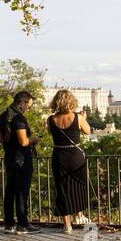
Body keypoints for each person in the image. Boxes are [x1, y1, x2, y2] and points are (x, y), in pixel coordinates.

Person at [48, 89, 91, 233]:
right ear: (71, 101)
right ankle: (79, 215)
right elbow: (88, 131)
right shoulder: (77, 117)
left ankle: (67, 225)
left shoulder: (51, 119)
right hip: (75, 156)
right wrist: (84, 118)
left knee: (62, 189)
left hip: (59, 156)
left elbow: (50, 132)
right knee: (79, 185)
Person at [0, 91, 37, 234]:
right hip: (22, 159)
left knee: (10, 191)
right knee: (21, 192)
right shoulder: (19, 118)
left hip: (9, 158)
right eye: (29, 105)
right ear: (22, 102)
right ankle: (23, 224)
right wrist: (34, 140)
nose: (29, 108)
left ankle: (9, 223)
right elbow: (24, 141)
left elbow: (1, 139)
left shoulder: (3, 116)